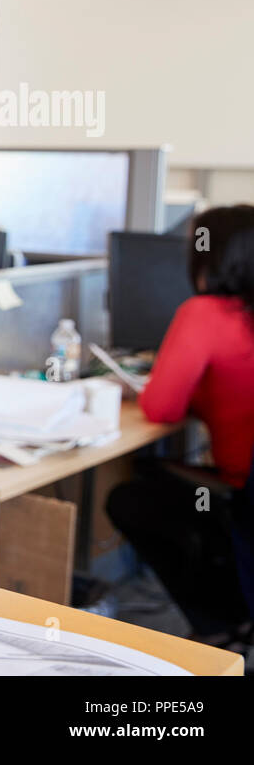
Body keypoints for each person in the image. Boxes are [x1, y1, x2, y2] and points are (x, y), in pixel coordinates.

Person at [107, 205, 254, 639]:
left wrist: (158, 386)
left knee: (132, 497)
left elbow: (162, 410)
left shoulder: (205, 313)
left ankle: (220, 622)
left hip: (239, 491)